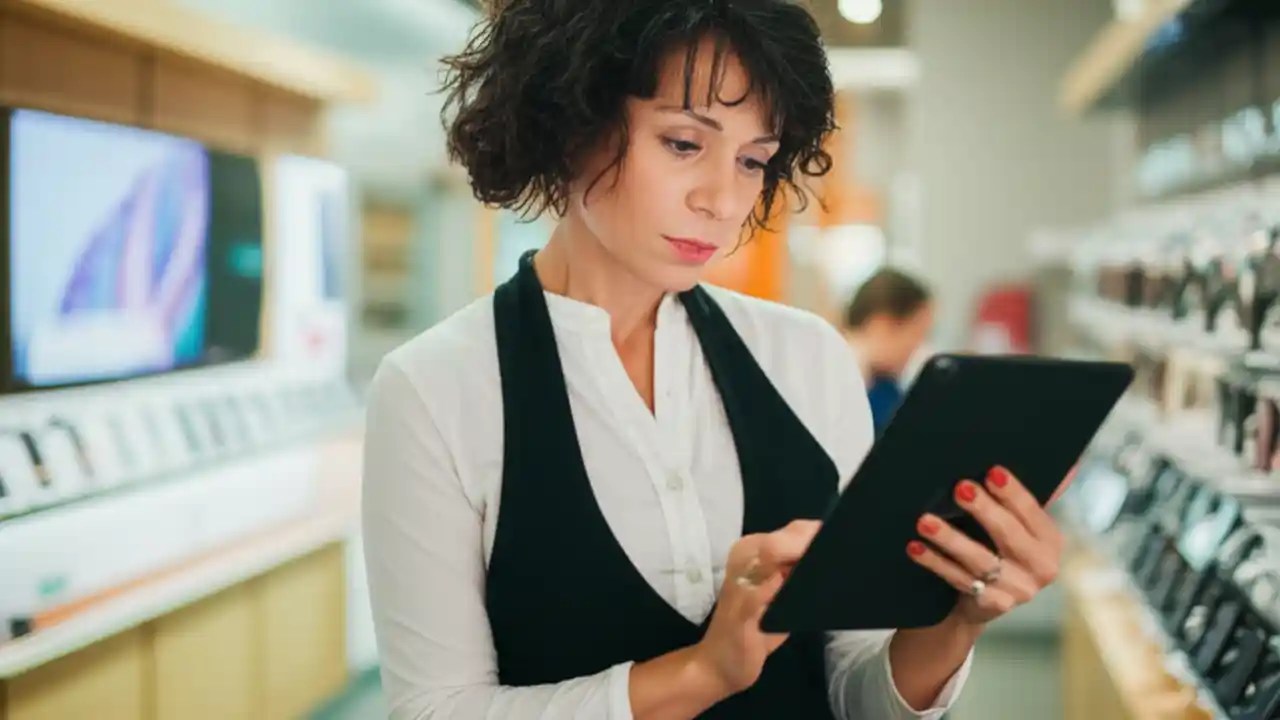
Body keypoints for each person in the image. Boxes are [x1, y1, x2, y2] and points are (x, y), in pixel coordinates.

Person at [361, 2, 1068, 718]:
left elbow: (856, 690)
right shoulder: (434, 388)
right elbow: (435, 710)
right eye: (682, 144)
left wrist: (954, 623)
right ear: (571, 119)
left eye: (753, 160)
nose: (723, 200)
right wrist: (701, 673)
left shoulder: (807, 357)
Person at [842, 268, 936, 436]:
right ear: (882, 325)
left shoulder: (888, 386)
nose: (918, 347)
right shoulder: (834, 383)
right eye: (916, 333)